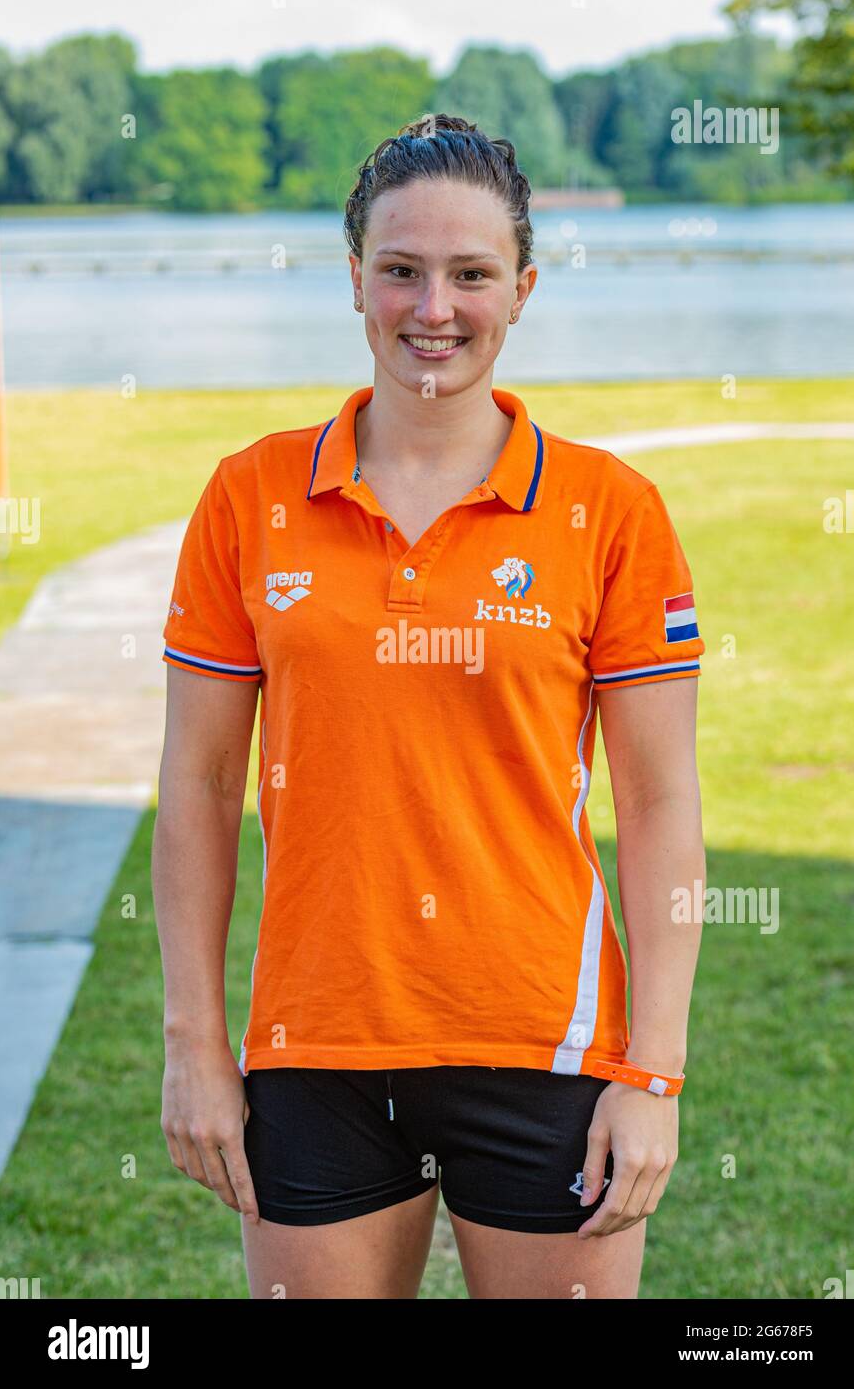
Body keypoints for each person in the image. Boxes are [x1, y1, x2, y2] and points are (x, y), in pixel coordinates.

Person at [152, 113, 706, 1301]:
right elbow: (196, 788)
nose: (433, 308)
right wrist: (197, 1044)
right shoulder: (249, 496)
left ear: (523, 288)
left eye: (470, 273)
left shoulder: (610, 511)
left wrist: (650, 1072)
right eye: (400, 270)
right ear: (355, 280)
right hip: (314, 1047)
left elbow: (661, 802)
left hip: (547, 1045)